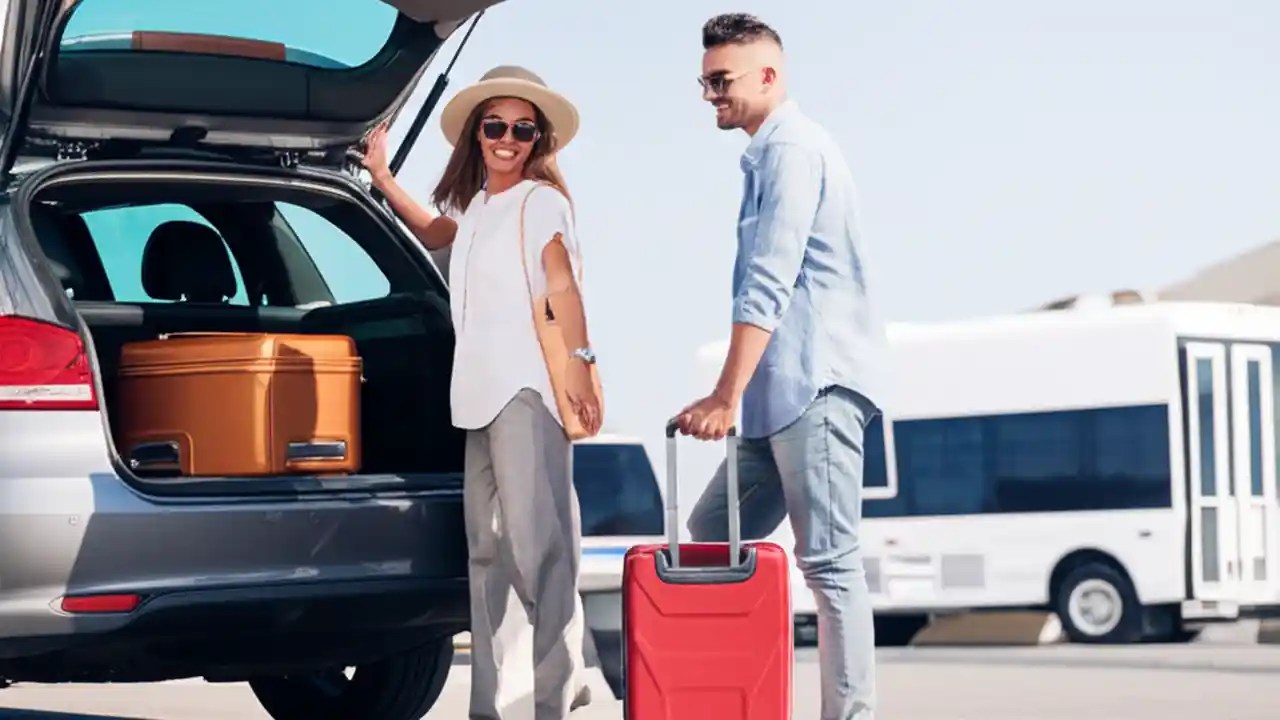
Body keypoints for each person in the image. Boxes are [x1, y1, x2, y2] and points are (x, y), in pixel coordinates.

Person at [360, 65, 602, 720]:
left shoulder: (541, 202)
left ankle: (558, 693)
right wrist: (381, 179)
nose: (508, 140)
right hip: (475, 398)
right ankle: (494, 706)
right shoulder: (476, 209)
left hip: (528, 392)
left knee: (539, 549)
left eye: (523, 130)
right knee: (487, 557)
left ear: (538, 140)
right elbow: (436, 234)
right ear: (476, 133)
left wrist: (581, 366)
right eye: (496, 126)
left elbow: (562, 287)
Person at [672, 14, 887, 720]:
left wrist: (723, 394)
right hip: (776, 399)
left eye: (721, 81)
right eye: (705, 81)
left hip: (814, 385)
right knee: (712, 537)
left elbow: (769, 279)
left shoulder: (793, 149)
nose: (709, 95)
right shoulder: (765, 156)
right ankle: (734, 697)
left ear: (768, 76)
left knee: (830, 564)